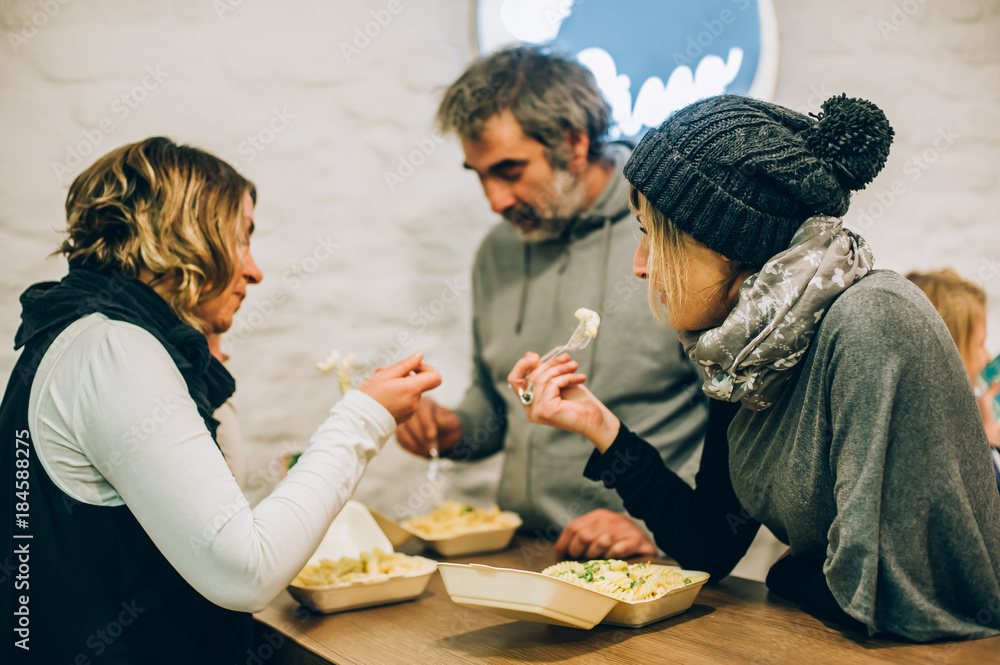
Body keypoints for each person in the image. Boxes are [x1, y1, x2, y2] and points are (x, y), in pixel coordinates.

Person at [508, 93, 1000, 641]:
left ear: (727, 244)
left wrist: (786, 573)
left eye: (654, 236)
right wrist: (599, 427)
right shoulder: (747, 351)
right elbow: (711, 544)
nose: (640, 266)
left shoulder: (873, 319)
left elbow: (892, 596)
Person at [0, 137, 441, 664]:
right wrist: (364, 417)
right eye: (240, 239)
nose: (254, 271)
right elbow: (245, 572)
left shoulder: (82, 333)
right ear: (183, 236)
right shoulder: (116, 348)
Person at [395, 46, 708, 559]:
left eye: (509, 170)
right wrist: (452, 430)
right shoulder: (496, 251)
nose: (494, 200)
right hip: (521, 552)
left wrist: (657, 530)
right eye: (478, 174)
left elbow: (739, 430)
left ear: (574, 142)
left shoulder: (671, 235)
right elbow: (498, 405)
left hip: (650, 562)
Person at [907, 268, 1000, 489]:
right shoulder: (957, 450)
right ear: (950, 352)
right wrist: (985, 448)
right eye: (979, 344)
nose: (987, 358)